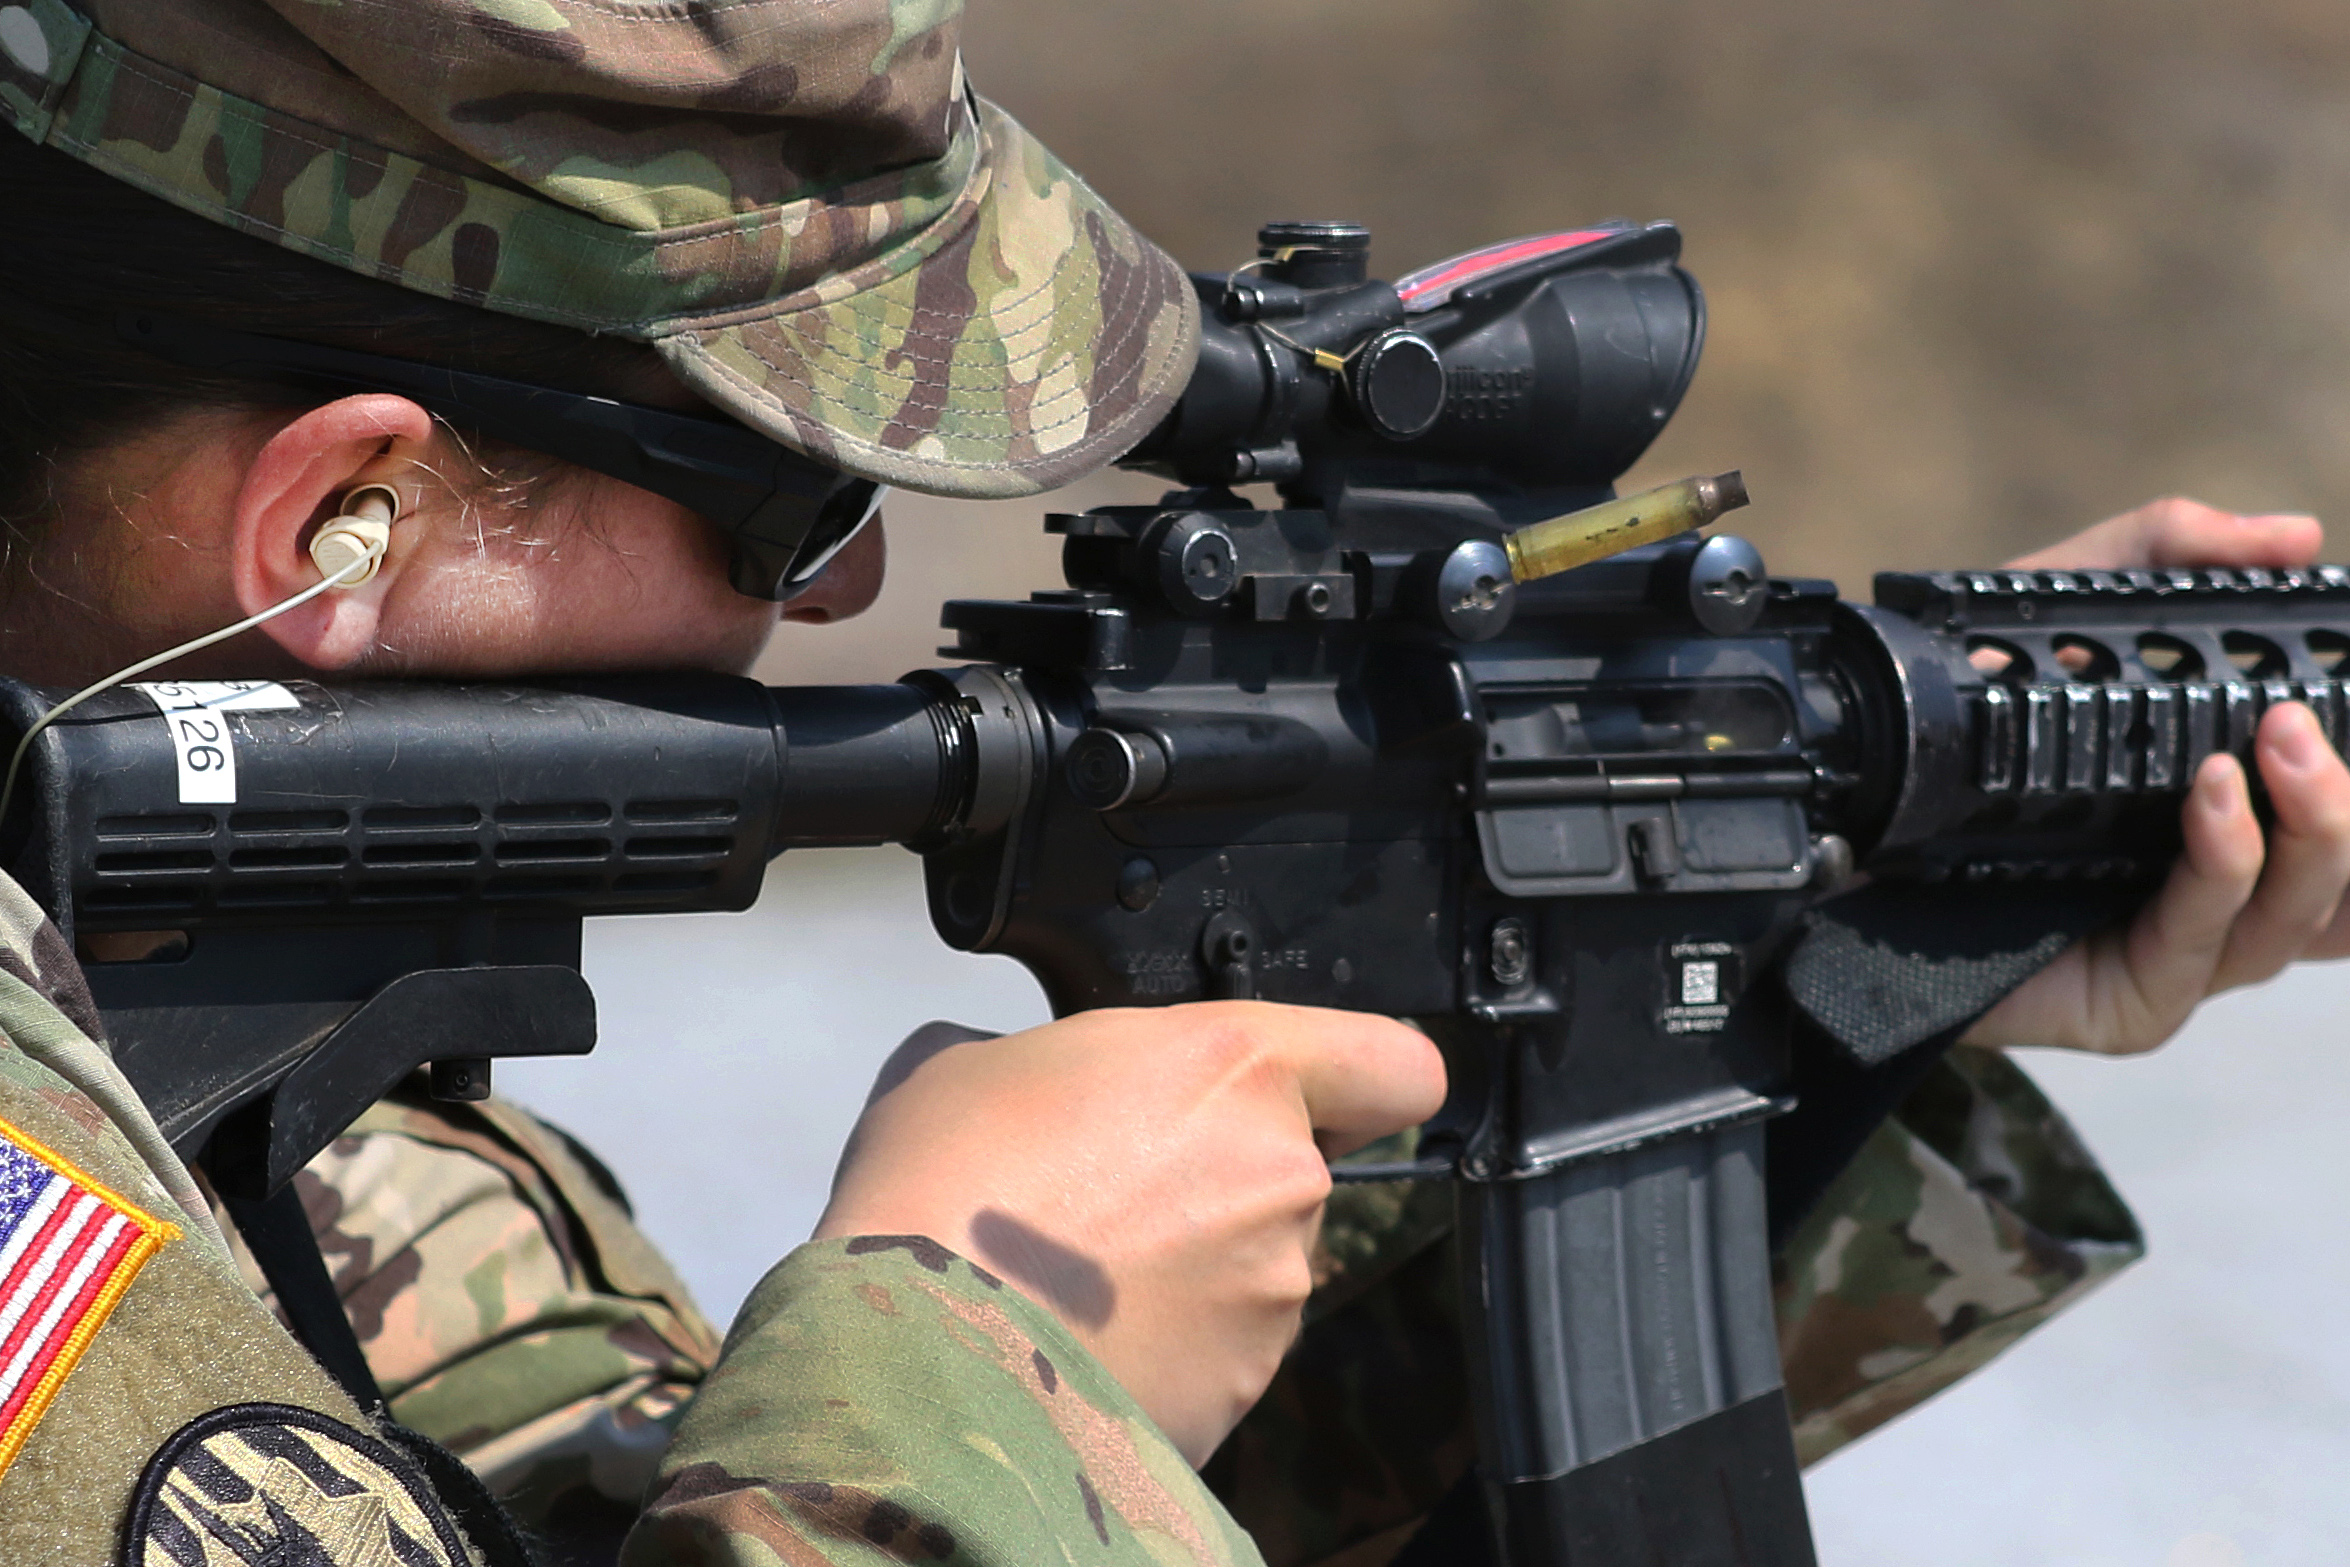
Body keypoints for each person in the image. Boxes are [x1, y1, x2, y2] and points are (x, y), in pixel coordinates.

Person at [0, 3, 2344, 1565]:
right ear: (343, 516)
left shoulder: (335, 1133)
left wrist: (1816, 954)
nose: (837, 606)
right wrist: (963, 1340)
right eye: (792, 504)